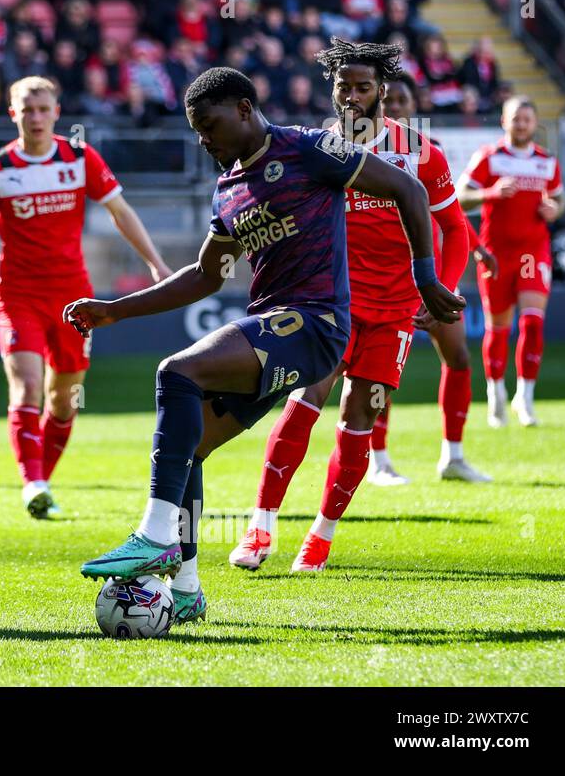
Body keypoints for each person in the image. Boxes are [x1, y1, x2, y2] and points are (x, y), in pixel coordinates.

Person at [66, 67, 463, 622]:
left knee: (175, 373)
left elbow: (408, 188)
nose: (204, 139)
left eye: (210, 124)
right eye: (197, 131)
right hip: (277, 325)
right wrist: (115, 309)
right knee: (192, 445)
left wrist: (426, 277)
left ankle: (156, 534)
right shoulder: (229, 189)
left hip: (316, 322)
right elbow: (205, 276)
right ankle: (185, 588)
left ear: (246, 109)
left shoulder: (307, 147)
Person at [225, 42, 474, 576]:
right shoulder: (315, 149)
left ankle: (321, 535)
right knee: (304, 399)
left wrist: (439, 288)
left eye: (363, 87)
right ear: (332, 89)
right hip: (327, 304)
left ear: (383, 90)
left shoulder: (421, 153)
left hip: (396, 313)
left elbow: (457, 230)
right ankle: (261, 523)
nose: (353, 97)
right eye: (344, 87)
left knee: (360, 417)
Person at [0, 77, 169, 519]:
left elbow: (120, 211)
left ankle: (43, 484)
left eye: (43, 108)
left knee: (64, 397)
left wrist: (155, 262)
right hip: (18, 296)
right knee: (28, 386)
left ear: (57, 112)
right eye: (26, 109)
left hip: (75, 299)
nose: (35, 117)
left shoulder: (79, 158)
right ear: (12, 113)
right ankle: (33, 483)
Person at [367, 73, 498, 483]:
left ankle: (453, 457)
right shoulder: (362, 152)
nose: (397, 107)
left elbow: (451, 214)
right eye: (391, 102)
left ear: (414, 106)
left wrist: (474, 248)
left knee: (458, 358)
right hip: (386, 277)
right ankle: (378, 458)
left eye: (404, 101)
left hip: (434, 274)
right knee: (380, 374)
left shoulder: (426, 151)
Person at [458, 97, 565, 428]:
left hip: (534, 251)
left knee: (532, 322)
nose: (521, 124)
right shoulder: (489, 158)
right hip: (496, 254)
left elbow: (559, 197)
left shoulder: (547, 162)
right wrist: (489, 193)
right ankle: (496, 394)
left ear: (535, 124)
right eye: (515, 119)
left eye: (527, 119)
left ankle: (526, 397)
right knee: (499, 329)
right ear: (504, 122)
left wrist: (555, 209)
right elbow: (461, 196)